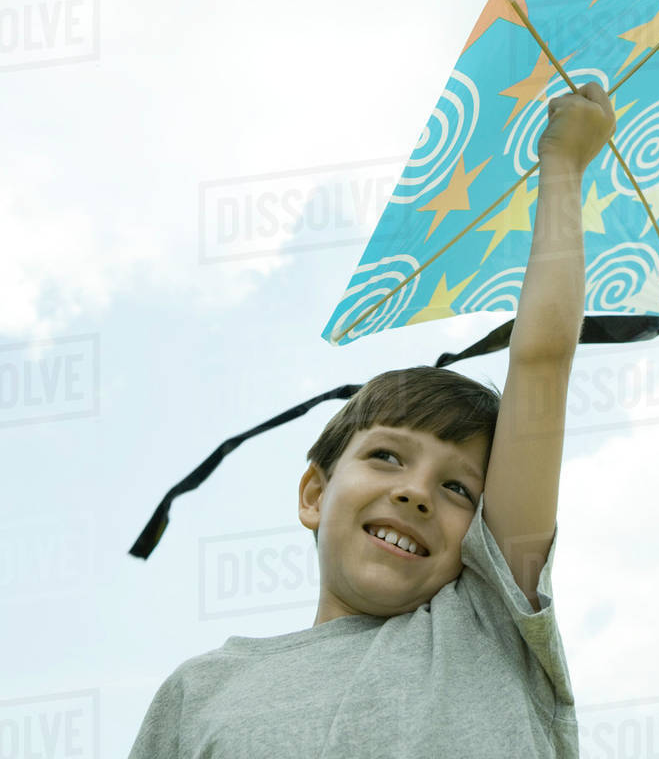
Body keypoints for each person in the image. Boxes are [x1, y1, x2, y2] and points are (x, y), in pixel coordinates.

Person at [127, 82, 616, 757]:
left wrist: (562, 167)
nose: (415, 491)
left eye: (457, 489)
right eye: (386, 456)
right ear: (313, 493)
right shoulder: (201, 691)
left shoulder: (487, 625)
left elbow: (539, 363)